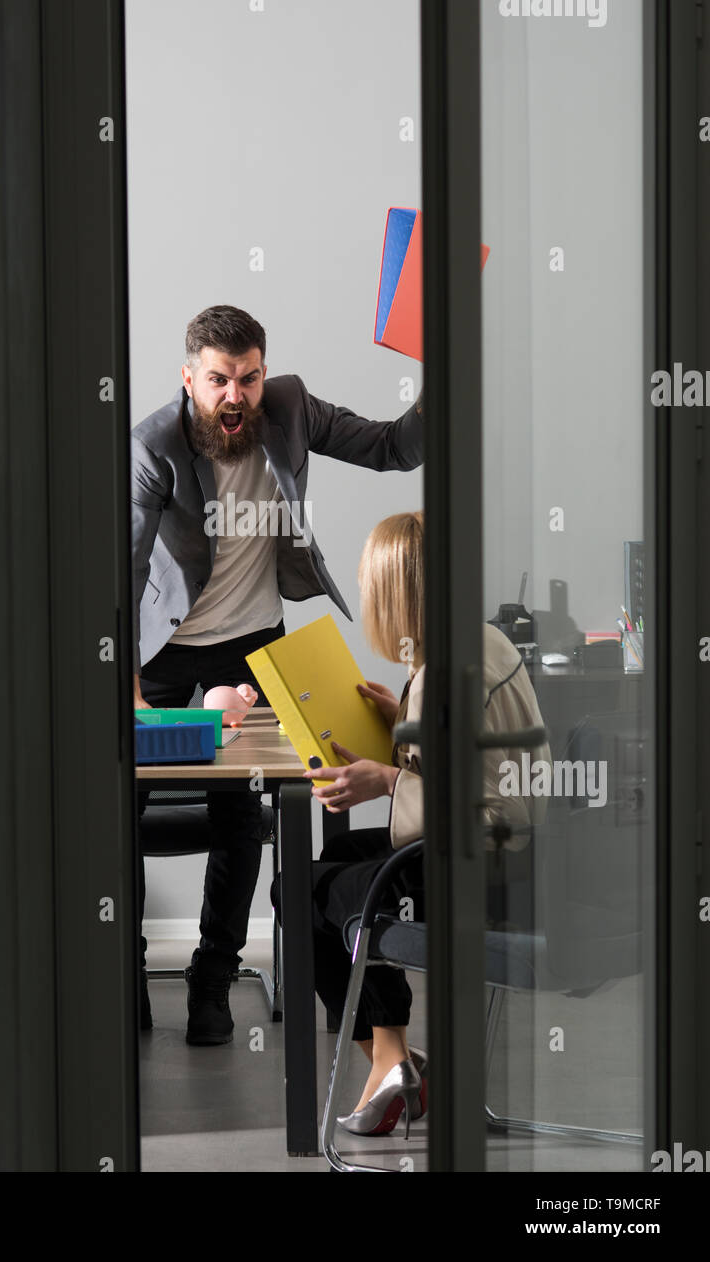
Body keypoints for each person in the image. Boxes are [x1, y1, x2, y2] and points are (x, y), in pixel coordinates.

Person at [132, 305, 424, 1045]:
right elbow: (117, 574)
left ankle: (213, 980)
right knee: (116, 814)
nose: (237, 397)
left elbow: (396, 448)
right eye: (220, 381)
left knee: (240, 814)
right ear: (189, 377)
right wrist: (126, 692)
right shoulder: (153, 447)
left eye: (250, 378)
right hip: (161, 649)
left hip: (253, 641)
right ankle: (121, 970)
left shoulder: (289, 408)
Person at [274, 510, 550, 1135]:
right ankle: (393, 1059)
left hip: (482, 868)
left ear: (397, 593)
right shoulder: (483, 641)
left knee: (304, 890)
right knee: (322, 876)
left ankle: (389, 1060)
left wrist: (389, 779)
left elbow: (491, 809)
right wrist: (403, 715)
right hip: (515, 858)